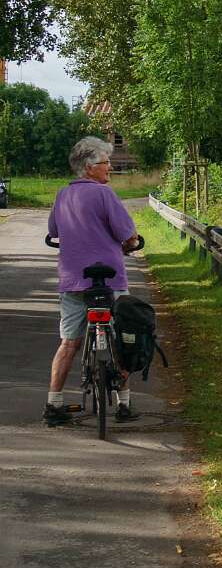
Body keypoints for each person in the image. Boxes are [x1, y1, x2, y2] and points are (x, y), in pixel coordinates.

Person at [44, 136, 140, 426]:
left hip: (73, 279)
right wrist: (130, 245)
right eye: (105, 162)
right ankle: (124, 404)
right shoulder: (104, 195)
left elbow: (53, 231)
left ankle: (54, 403)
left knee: (69, 342)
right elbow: (128, 236)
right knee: (122, 338)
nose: (110, 166)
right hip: (109, 279)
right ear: (88, 167)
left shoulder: (62, 194)